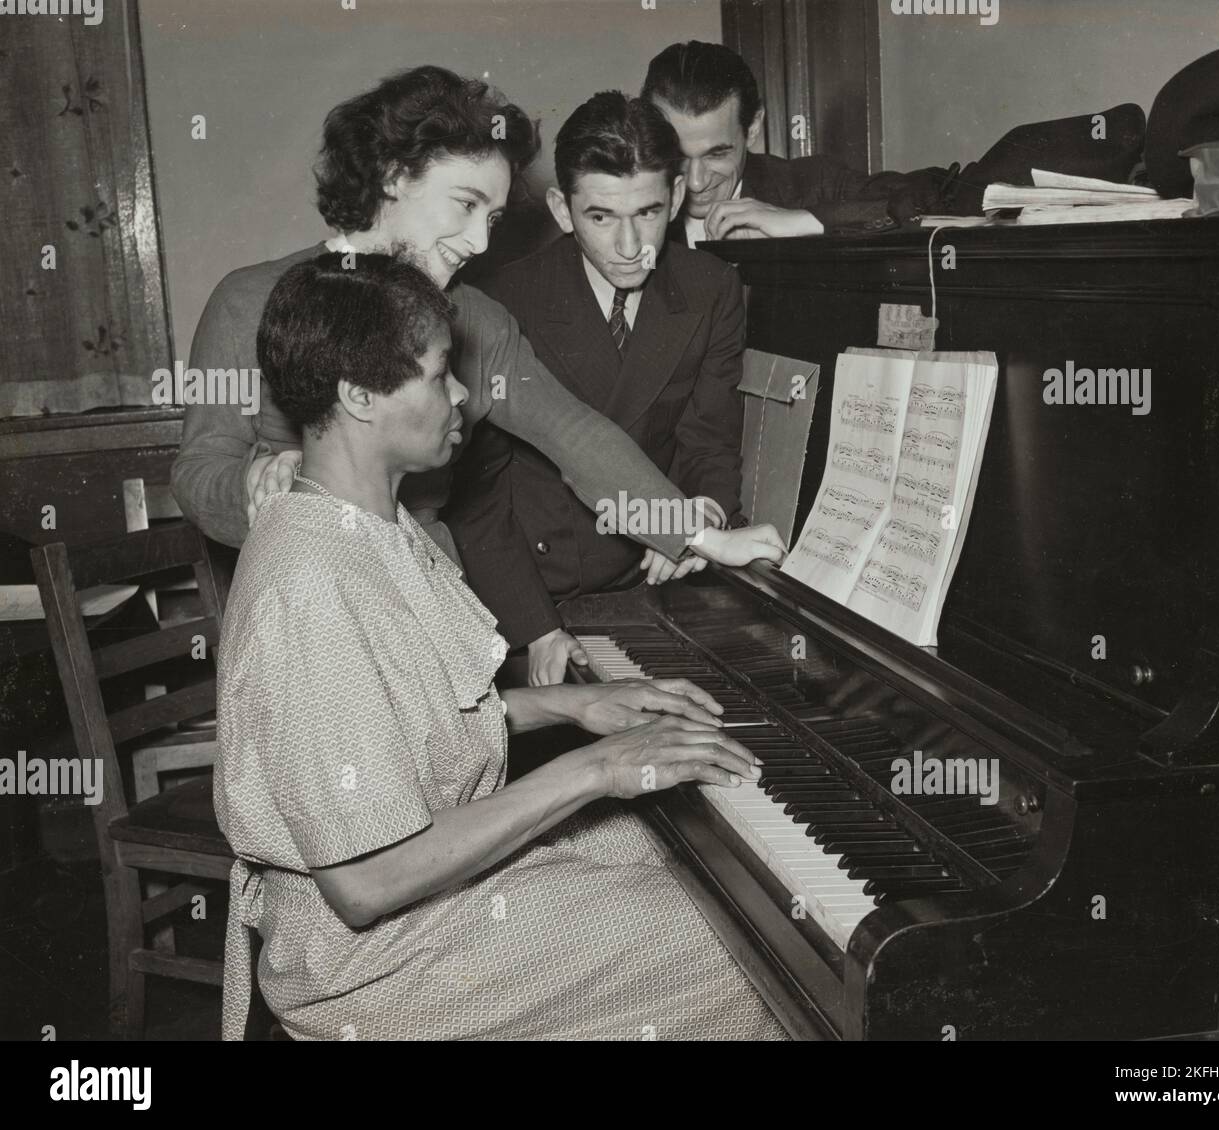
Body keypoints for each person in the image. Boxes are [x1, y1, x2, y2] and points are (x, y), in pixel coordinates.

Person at [216, 250, 788, 1041]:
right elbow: (363, 879)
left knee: (689, 862)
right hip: (374, 964)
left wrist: (577, 702)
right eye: (439, 373)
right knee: (750, 953)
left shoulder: (365, 522)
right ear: (358, 396)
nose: (462, 395)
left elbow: (409, 722)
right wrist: (594, 767)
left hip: (416, 909)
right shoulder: (308, 581)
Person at [170, 64, 783, 577]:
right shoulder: (246, 300)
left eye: (491, 218)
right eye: (465, 205)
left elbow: (577, 437)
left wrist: (700, 536)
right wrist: (256, 487)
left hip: (433, 593)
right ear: (392, 178)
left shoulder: (476, 320)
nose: (479, 243)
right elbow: (198, 473)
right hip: (301, 591)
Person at [447, 92, 744, 687]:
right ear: (562, 209)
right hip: (526, 596)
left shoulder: (713, 288)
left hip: (646, 581)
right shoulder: (501, 301)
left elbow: (709, 442)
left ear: (678, 196)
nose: (631, 246)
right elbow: (478, 498)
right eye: (601, 217)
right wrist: (535, 628)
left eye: (650, 212)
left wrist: (690, 523)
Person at [641, 40, 954, 246]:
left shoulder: (810, 184)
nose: (695, 182)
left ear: (752, 128)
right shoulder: (627, 207)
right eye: (677, 156)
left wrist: (802, 220)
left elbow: (933, 196)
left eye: (716, 154)